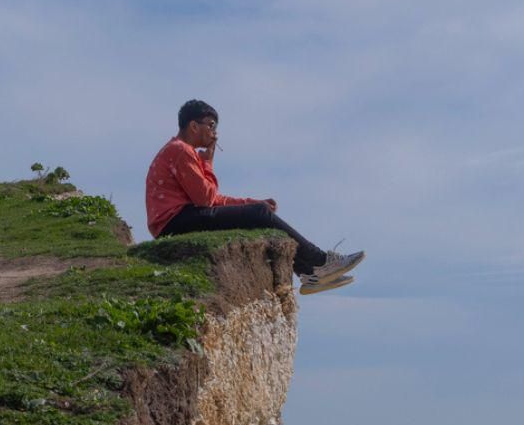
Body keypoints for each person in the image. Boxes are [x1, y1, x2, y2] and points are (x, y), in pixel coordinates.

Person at [145, 100, 365, 295]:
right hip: (174, 222)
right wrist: (209, 162)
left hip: (178, 219)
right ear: (194, 126)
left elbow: (213, 200)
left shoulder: (181, 151)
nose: (215, 133)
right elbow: (205, 199)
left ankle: (310, 273)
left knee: (258, 213)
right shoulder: (181, 150)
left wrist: (252, 203)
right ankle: (321, 262)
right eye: (211, 126)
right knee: (258, 215)